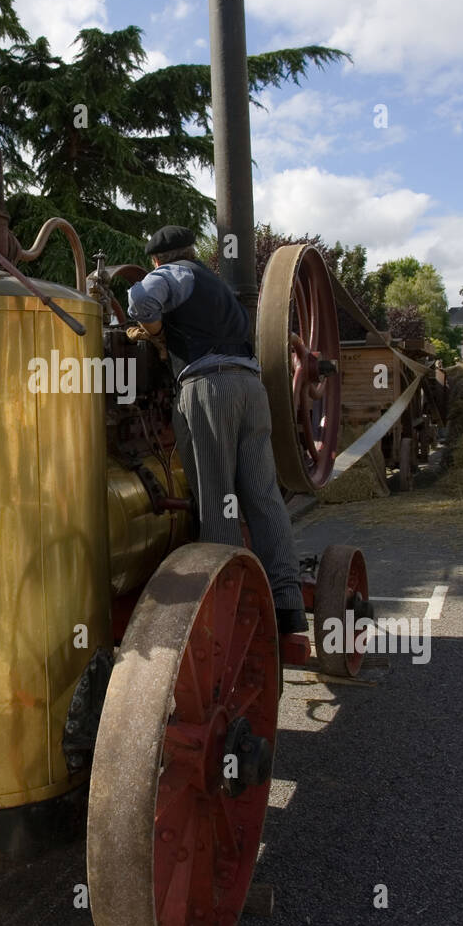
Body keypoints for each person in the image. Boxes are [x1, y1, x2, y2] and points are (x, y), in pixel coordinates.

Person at [125, 224, 309, 652]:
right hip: (250, 388)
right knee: (263, 498)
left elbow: (139, 300)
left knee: (218, 500)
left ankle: (228, 607)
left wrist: (153, 331)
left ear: (158, 260)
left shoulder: (176, 274)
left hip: (208, 388)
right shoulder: (221, 289)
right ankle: (286, 604)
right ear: (192, 250)